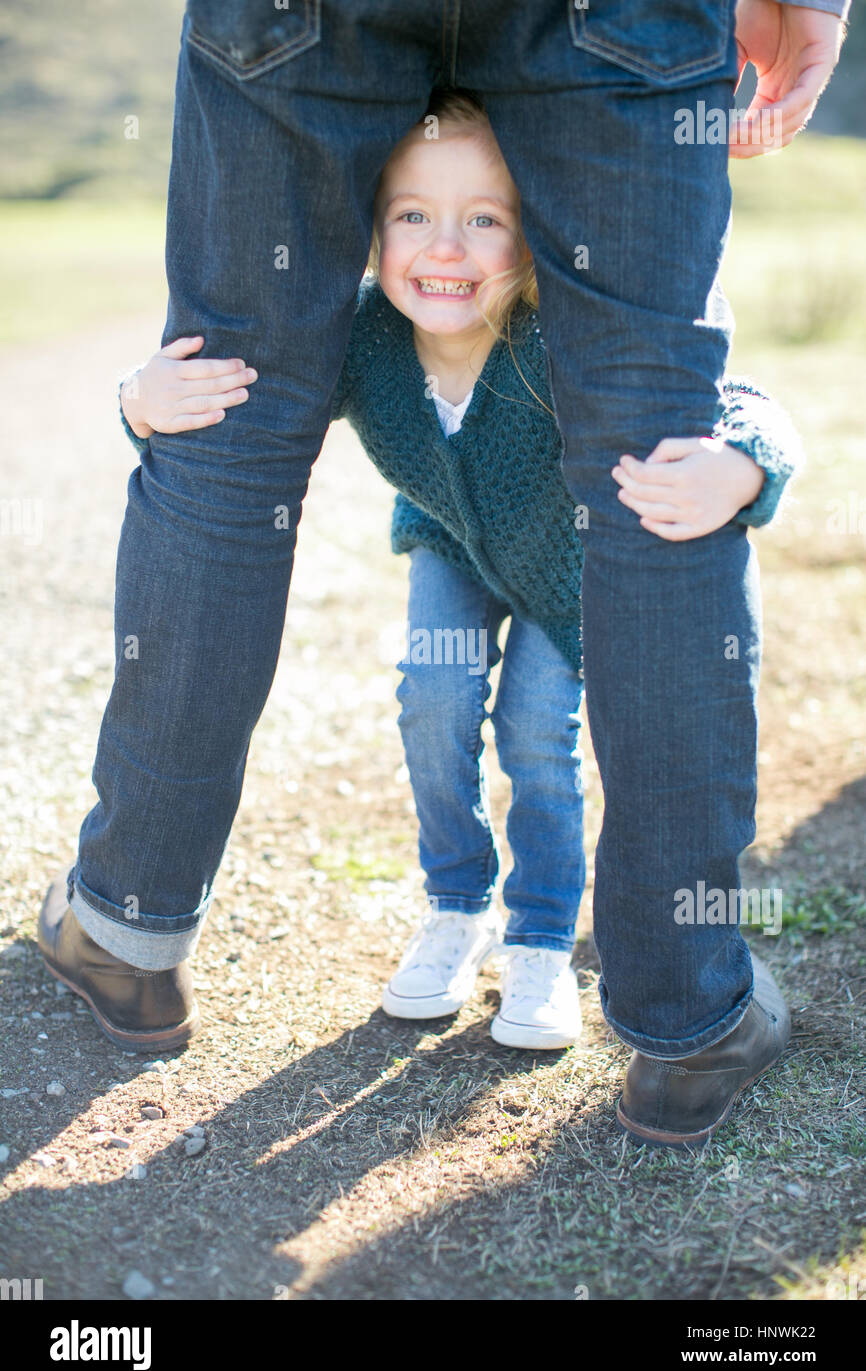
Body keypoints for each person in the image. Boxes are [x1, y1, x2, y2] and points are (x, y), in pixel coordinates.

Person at [37, 2, 849, 1146]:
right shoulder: (383, 336)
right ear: (380, 231)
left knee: (242, 419)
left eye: (479, 223)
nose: (444, 247)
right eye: (412, 217)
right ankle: (687, 1016)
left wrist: (753, 467)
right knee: (648, 438)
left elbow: (232, 421)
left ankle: (124, 928)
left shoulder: (511, 333)